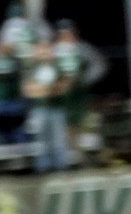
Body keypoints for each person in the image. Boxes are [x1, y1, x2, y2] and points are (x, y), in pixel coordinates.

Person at [52, 19, 108, 168]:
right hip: (61, 100)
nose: (66, 36)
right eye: (62, 33)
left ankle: (91, 162)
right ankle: (71, 165)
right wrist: (56, 85)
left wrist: (83, 80)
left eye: (69, 32)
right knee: (66, 135)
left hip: (82, 98)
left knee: (88, 131)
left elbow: (99, 66)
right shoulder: (53, 50)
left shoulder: (82, 49)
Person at [23, 41, 71, 173]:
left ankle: (61, 169)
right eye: (41, 50)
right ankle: (43, 170)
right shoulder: (32, 68)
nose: (44, 53)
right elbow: (28, 90)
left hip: (56, 108)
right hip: (39, 110)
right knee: (41, 142)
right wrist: (49, 89)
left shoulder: (58, 67)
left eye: (47, 50)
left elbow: (64, 87)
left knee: (58, 141)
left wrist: (42, 89)